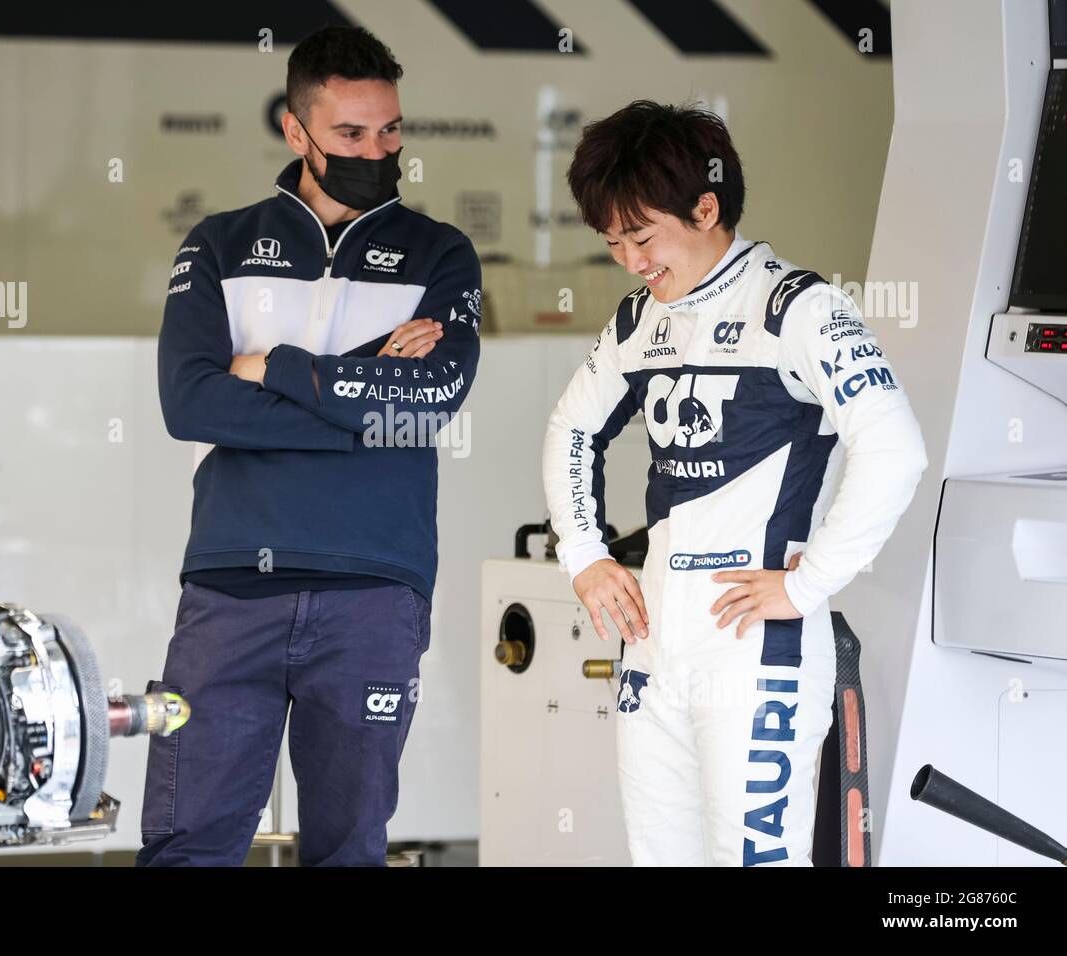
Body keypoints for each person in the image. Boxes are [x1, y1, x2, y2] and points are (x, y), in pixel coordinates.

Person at [541, 100, 927, 866]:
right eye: (613, 242)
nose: (630, 261)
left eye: (642, 237)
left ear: (706, 206)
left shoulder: (801, 307)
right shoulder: (634, 323)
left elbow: (895, 447)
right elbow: (571, 430)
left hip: (757, 649)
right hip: (652, 648)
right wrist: (584, 555)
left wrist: (809, 584)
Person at [138, 25, 480, 866]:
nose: (379, 150)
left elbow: (427, 404)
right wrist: (364, 387)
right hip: (229, 583)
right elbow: (189, 403)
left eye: (392, 130)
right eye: (351, 135)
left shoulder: (443, 254)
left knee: (349, 851)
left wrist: (274, 369)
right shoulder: (216, 244)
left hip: (375, 587)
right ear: (296, 133)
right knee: (189, 845)